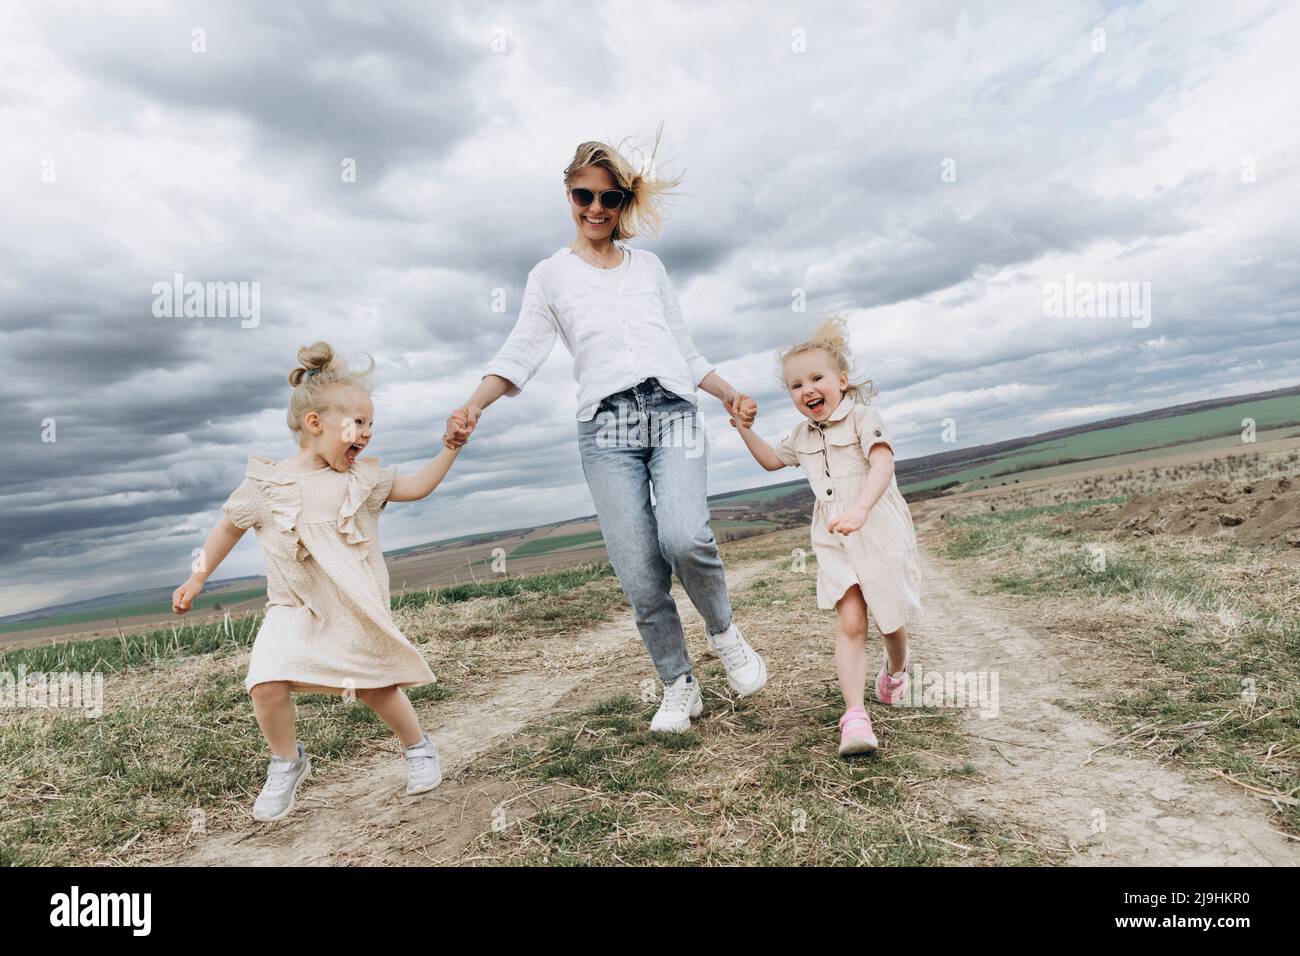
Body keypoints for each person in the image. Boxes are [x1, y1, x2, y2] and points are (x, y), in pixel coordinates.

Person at [444, 135, 766, 733]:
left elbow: (685, 348)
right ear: (568, 192)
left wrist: (727, 393)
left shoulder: (650, 266)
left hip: (672, 409)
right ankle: (678, 684)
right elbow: (522, 351)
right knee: (639, 567)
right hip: (606, 426)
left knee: (684, 535)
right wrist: (474, 404)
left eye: (610, 198)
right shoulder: (549, 277)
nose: (596, 208)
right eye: (584, 195)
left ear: (623, 202)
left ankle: (725, 635)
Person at [173, 341, 460, 819]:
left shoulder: (360, 481)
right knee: (265, 681)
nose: (367, 434)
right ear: (315, 424)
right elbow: (227, 526)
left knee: (374, 687)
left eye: (371, 424)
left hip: (349, 604)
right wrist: (196, 577)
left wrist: (449, 448)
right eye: (358, 424)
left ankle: (417, 746)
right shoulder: (266, 486)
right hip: (291, 605)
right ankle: (286, 762)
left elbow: (417, 486)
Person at [732, 317, 921, 755]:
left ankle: (897, 666)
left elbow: (883, 465)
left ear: (841, 380)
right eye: (795, 385)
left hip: (876, 527)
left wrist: (861, 509)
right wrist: (742, 428)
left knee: (888, 619)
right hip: (834, 536)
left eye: (816, 378)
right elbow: (770, 461)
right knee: (851, 620)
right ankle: (855, 717)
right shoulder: (800, 436)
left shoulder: (862, 418)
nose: (807, 390)